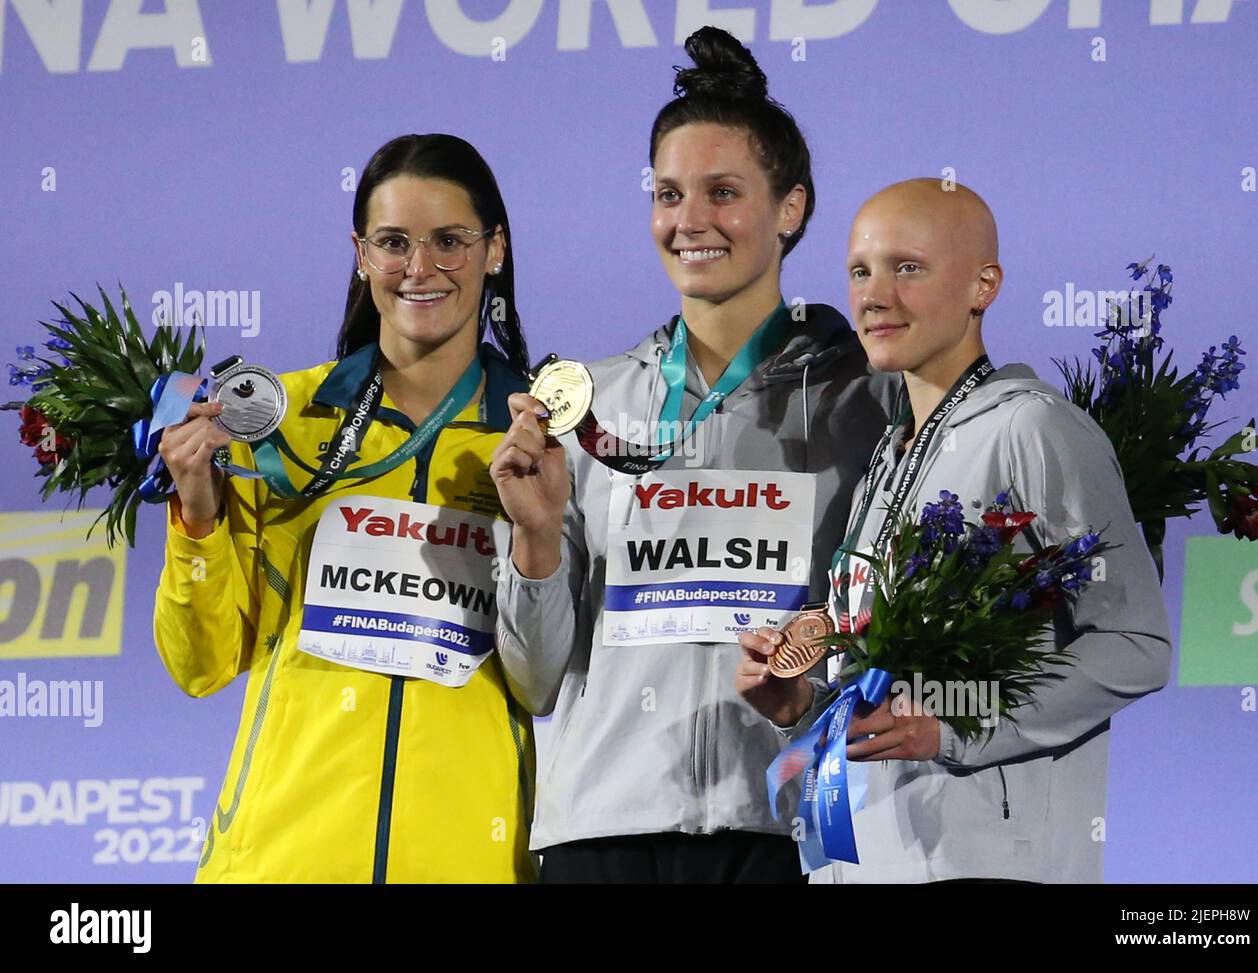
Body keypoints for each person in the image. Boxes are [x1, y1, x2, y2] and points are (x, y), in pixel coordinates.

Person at [490, 27, 895, 883]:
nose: (690, 221)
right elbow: (533, 679)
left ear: (791, 208)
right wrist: (532, 540)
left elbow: (887, 624)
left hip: (787, 829)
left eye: (723, 191)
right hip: (602, 834)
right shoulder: (582, 405)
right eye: (669, 193)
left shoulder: (869, 399)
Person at [737, 177, 1172, 883]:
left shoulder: (1034, 428)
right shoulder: (889, 455)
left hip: (991, 859)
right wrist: (799, 700)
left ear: (983, 284)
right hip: (870, 859)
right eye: (859, 270)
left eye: (907, 267)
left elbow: (1136, 645)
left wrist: (958, 726)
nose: (874, 295)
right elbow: (889, 678)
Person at [154, 134, 537, 883]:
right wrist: (197, 520)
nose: (419, 269)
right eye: (393, 242)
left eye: (449, 241)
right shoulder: (278, 422)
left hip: (468, 859)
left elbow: (547, 673)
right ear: (361, 255)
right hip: (282, 856)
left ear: (495, 250)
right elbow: (200, 666)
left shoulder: (534, 441)